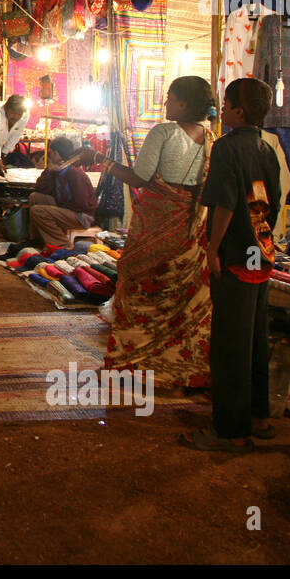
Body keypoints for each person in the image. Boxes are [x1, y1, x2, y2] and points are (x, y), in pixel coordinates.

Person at [78, 76, 216, 392]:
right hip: (188, 230)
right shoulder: (211, 138)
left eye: (169, 97)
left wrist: (100, 160)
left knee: (138, 285)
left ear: (182, 103)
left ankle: (130, 363)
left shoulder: (165, 132)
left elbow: (139, 178)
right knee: (175, 294)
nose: (165, 103)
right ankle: (173, 364)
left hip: (156, 223)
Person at [186, 78, 281, 452]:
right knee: (255, 340)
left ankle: (231, 432)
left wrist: (212, 248)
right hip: (261, 252)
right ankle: (259, 417)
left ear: (240, 110)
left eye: (226, 104)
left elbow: (224, 204)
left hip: (237, 253)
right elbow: (272, 200)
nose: (221, 111)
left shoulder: (227, 148)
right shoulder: (267, 148)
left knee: (229, 346)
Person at [27, 136, 97, 247]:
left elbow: (82, 204)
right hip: (66, 208)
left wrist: (59, 209)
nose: (49, 155)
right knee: (34, 197)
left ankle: (62, 245)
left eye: (51, 152)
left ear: (56, 153)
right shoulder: (57, 170)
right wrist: (49, 171)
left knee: (38, 211)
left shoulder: (74, 172)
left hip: (82, 216)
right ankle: (37, 240)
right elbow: (39, 188)